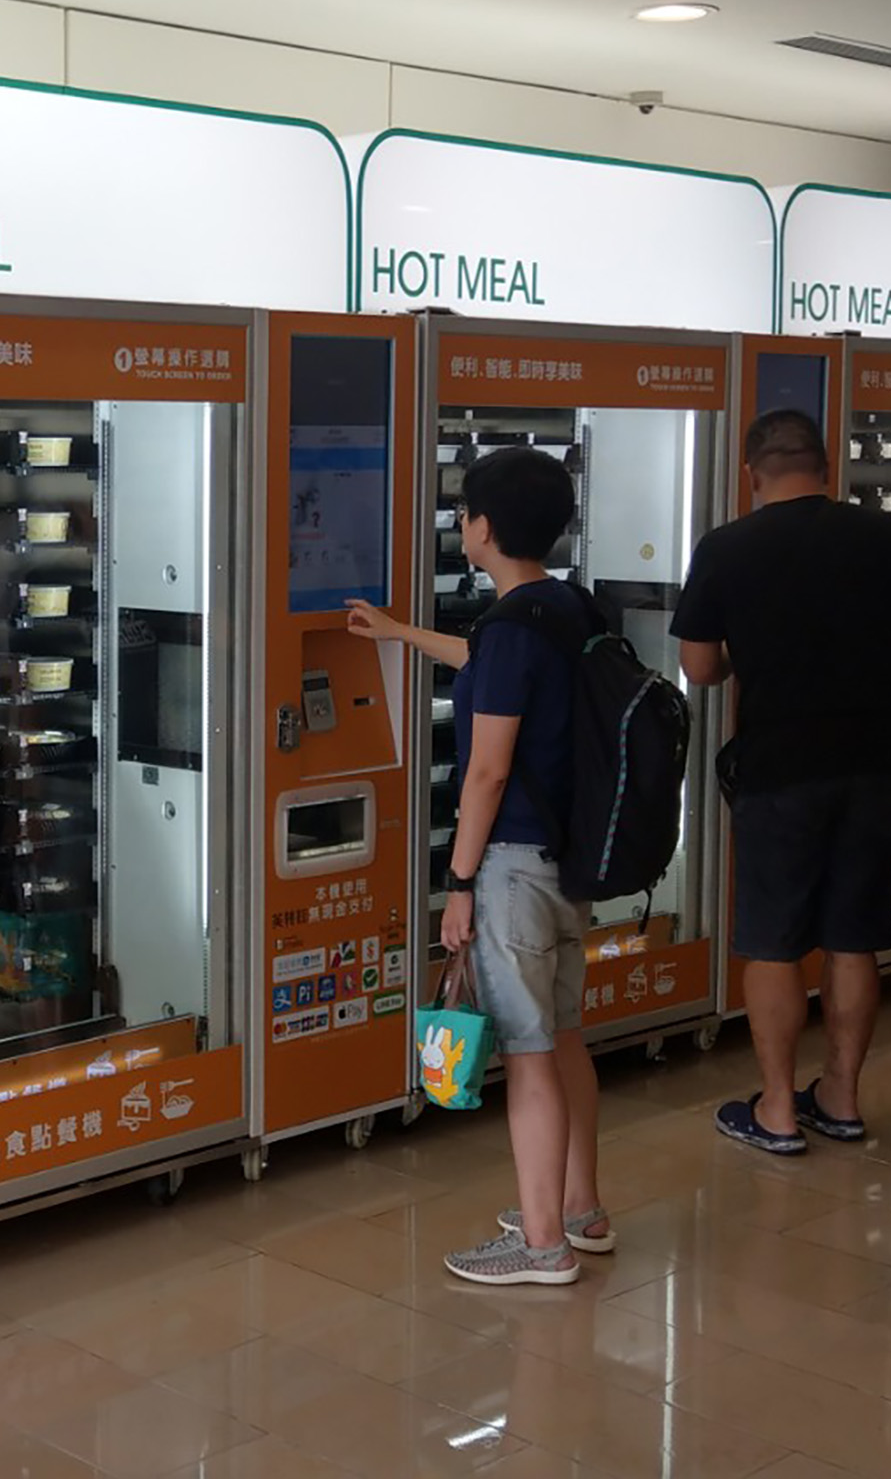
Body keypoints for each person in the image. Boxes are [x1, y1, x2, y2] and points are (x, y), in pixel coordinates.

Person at [348, 446, 614, 1285]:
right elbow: (483, 666)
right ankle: (581, 1209)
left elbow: (488, 771)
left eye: (464, 514)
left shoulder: (511, 630)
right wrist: (398, 634)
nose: (461, 525)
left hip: (514, 869)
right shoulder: (568, 607)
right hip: (571, 866)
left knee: (528, 1053)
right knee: (564, 1036)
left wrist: (457, 885)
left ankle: (541, 1246)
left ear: (484, 529)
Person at [673, 409, 891, 1156]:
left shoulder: (726, 548)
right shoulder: (882, 537)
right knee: (854, 941)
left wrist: (747, 657)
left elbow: (698, 668)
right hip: (877, 761)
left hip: (779, 767)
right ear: (827, 468)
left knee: (776, 944)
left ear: (752, 472)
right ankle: (844, 1100)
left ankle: (780, 1110)